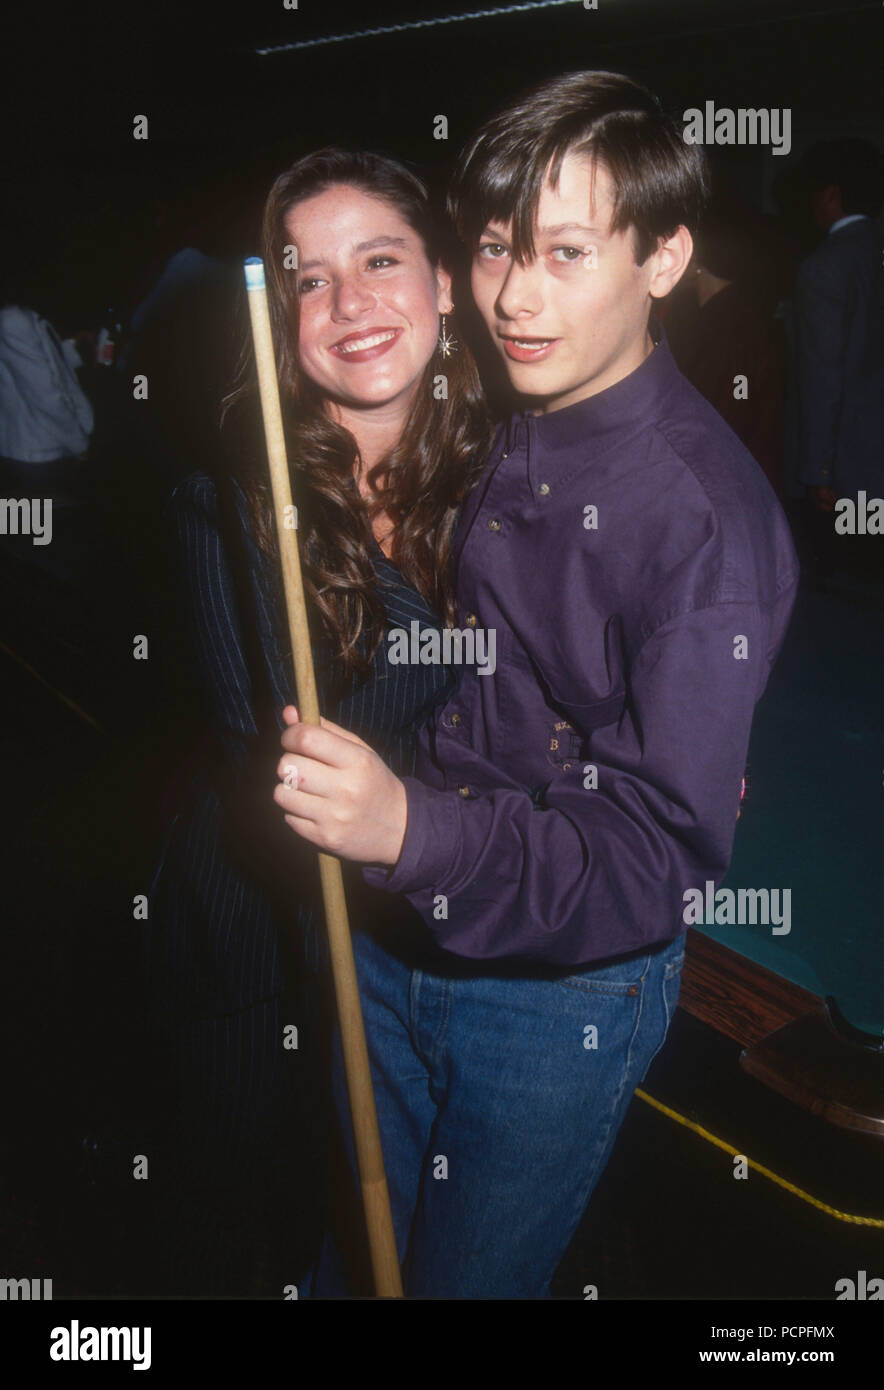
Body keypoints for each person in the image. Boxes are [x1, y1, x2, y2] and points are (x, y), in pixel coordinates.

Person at [275, 71, 801, 1298]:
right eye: (499, 247)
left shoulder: (703, 526)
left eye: (566, 252)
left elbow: (650, 857)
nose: (515, 297)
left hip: (554, 998)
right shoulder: (496, 413)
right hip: (388, 932)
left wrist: (412, 830)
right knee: (360, 1262)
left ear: (664, 257)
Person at [143, 147, 490, 1296]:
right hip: (263, 904)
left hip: (427, 893)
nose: (347, 304)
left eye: (380, 259)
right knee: (237, 1180)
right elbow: (269, 762)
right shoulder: (234, 506)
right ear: (279, 313)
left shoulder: (518, 477)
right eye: (308, 276)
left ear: (445, 281)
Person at [784, 138, 884, 585]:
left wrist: (818, 470)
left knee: (842, 592)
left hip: (848, 460)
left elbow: (821, 376)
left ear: (830, 194)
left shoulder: (824, 267)